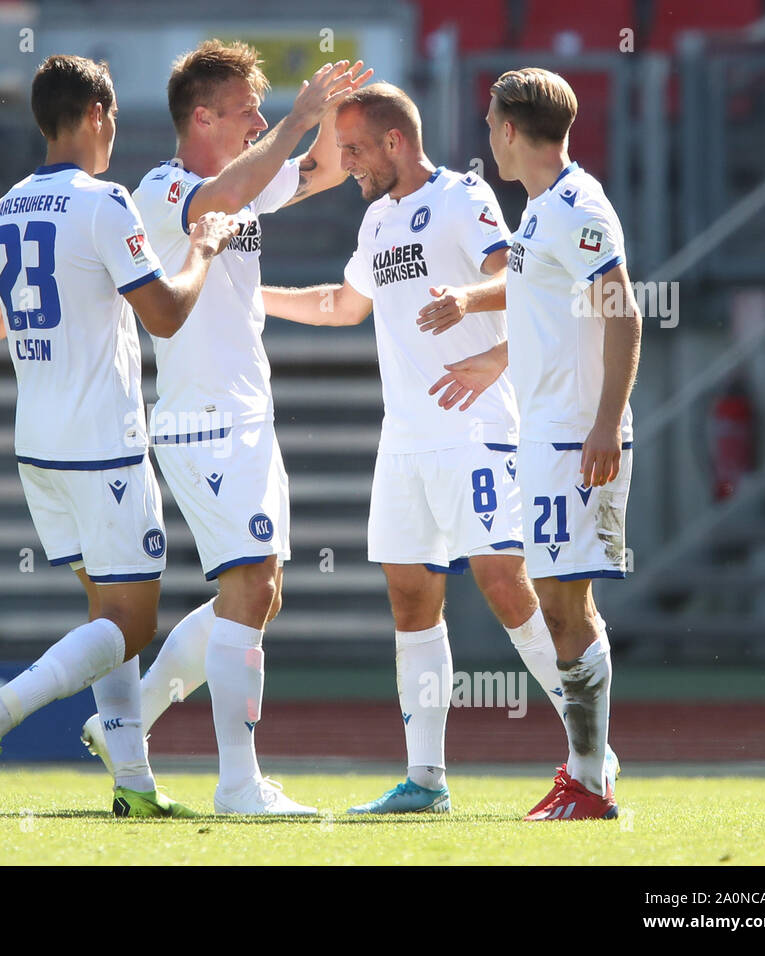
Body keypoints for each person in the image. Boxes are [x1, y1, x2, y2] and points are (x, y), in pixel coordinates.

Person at [262, 82, 617, 814]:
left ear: (395, 141)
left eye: (354, 148)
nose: (346, 164)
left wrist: (498, 356)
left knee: (502, 579)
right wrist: (249, 296)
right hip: (407, 441)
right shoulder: (376, 223)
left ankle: (591, 749)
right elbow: (342, 305)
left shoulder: (465, 197)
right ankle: (426, 779)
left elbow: (513, 276)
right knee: (411, 599)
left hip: (479, 428)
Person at [79, 42, 366, 815]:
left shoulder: (244, 179)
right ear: (201, 116)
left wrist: (338, 114)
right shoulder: (162, 187)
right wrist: (301, 120)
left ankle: (129, 721)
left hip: (245, 415)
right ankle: (239, 783)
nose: (262, 122)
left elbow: (325, 171)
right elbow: (224, 196)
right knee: (251, 584)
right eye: (246, 110)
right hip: (204, 420)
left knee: (259, 593)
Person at [0, 54, 235, 817]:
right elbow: (168, 314)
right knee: (133, 619)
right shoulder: (106, 204)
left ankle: (134, 783)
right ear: (98, 115)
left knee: (107, 614)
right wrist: (205, 248)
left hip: (38, 444)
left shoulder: (6, 208)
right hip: (103, 443)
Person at [430, 68, 639, 820]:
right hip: (545, 433)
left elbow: (624, 314)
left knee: (566, 607)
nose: (487, 136)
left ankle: (589, 781)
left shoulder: (580, 208)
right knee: (557, 603)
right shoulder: (542, 213)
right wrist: (492, 351)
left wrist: (607, 423)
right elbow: (544, 301)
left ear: (511, 131)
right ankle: (587, 774)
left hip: (575, 437)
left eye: (490, 124)